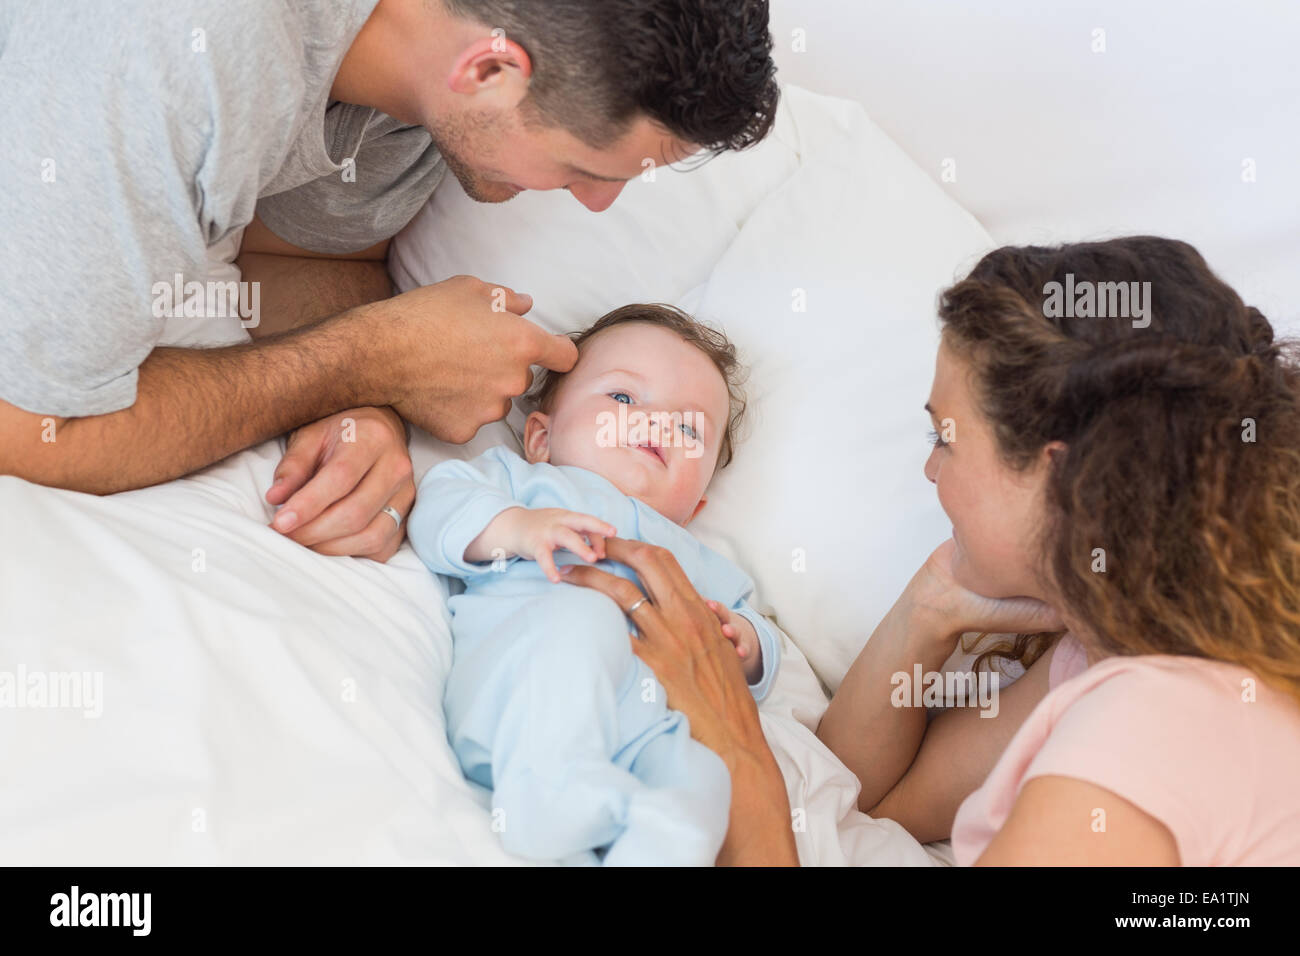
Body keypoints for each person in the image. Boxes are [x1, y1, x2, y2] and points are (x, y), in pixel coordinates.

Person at [565, 237, 1300, 865]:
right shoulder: (1110, 654)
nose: (930, 471)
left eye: (944, 438)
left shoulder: (1152, 733)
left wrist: (734, 746)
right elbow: (869, 800)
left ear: (1059, 475)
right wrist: (935, 603)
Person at [0, 0, 778, 562]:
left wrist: (361, 408)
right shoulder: (179, 51)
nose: (597, 202)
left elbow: (303, 256)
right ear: (492, 70)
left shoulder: (419, 101)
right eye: (584, 168)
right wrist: (369, 360)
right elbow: (31, 426)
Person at [407, 305, 780, 864]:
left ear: (697, 504)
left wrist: (744, 642)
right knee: (585, 616)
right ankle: (551, 800)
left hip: (642, 728)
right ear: (540, 437)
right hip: (527, 695)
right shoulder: (527, 483)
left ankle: (655, 842)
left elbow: (758, 645)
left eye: (688, 428)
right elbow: (439, 505)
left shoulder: (696, 556)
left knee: (705, 772)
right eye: (624, 400)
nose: (657, 425)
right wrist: (517, 527)